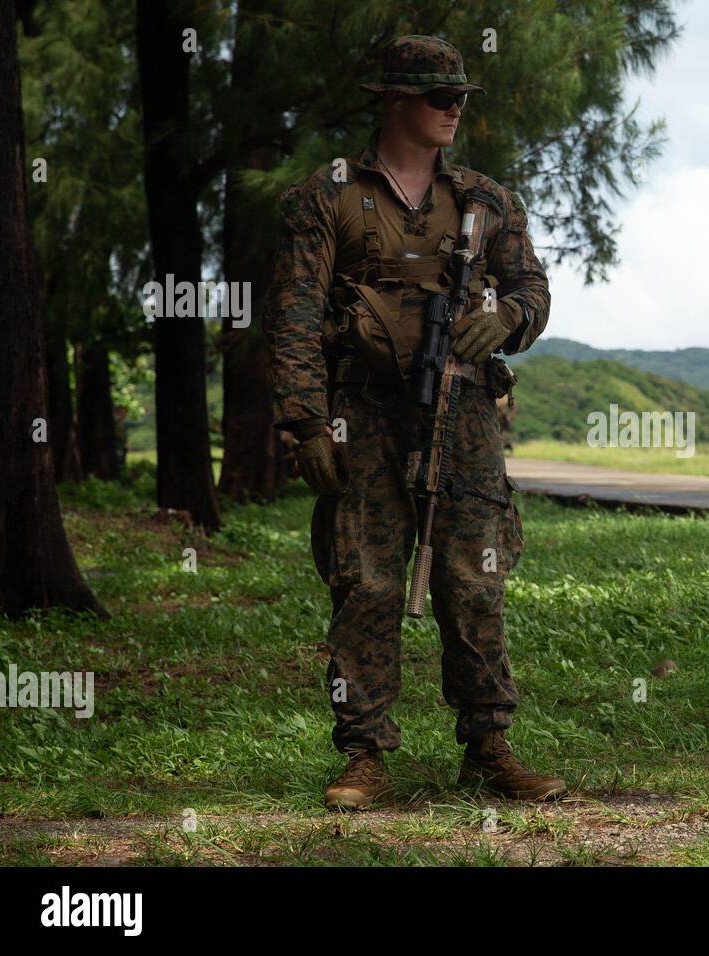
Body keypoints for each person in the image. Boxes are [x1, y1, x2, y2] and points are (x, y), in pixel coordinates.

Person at [264, 35, 565, 809]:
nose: (455, 109)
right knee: (362, 579)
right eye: (440, 97)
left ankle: (490, 742)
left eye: (461, 97)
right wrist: (303, 422)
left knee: (475, 578)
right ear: (395, 100)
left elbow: (533, 290)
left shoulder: (484, 200)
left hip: (463, 413)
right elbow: (294, 320)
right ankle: (363, 753)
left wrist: (506, 317)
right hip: (360, 409)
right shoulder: (325, 197)